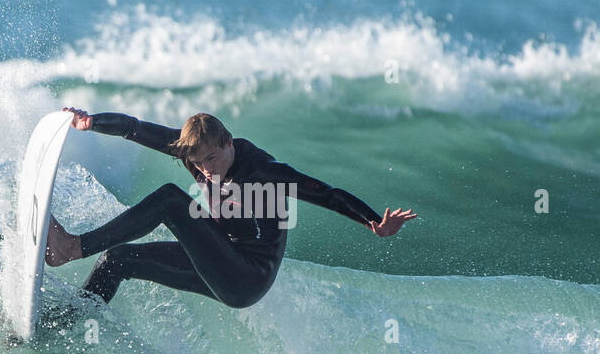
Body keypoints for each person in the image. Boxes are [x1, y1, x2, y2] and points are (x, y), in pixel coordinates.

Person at [46, 108, 416, 309]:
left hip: (246, 276)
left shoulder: (263, 171)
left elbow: (327, 194)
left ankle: (72, 248)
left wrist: (373, 222)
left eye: (211, 159)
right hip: (217, 259)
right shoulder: (194, 153)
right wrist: (91, 122)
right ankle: (64, 323)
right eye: (197, 162)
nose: (206, 169)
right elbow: (136, 128)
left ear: (227, 142)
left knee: (171, 200)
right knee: (116, 261)